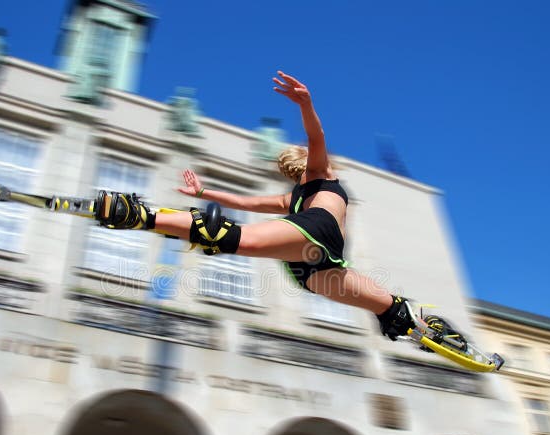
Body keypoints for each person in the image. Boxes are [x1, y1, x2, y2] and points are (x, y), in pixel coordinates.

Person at [94, 71, 415, 340]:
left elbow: (316, 138)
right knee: (384, 307)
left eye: (297, 170)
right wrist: (204, 191)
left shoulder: (319, 172)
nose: (298, 176)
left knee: (226, 236)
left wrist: (306, 104)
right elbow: (246, 201)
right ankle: (409, 320)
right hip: (315, 262)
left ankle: (142, 216)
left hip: (318, 233)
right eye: (294, 173)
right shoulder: (294, 198)